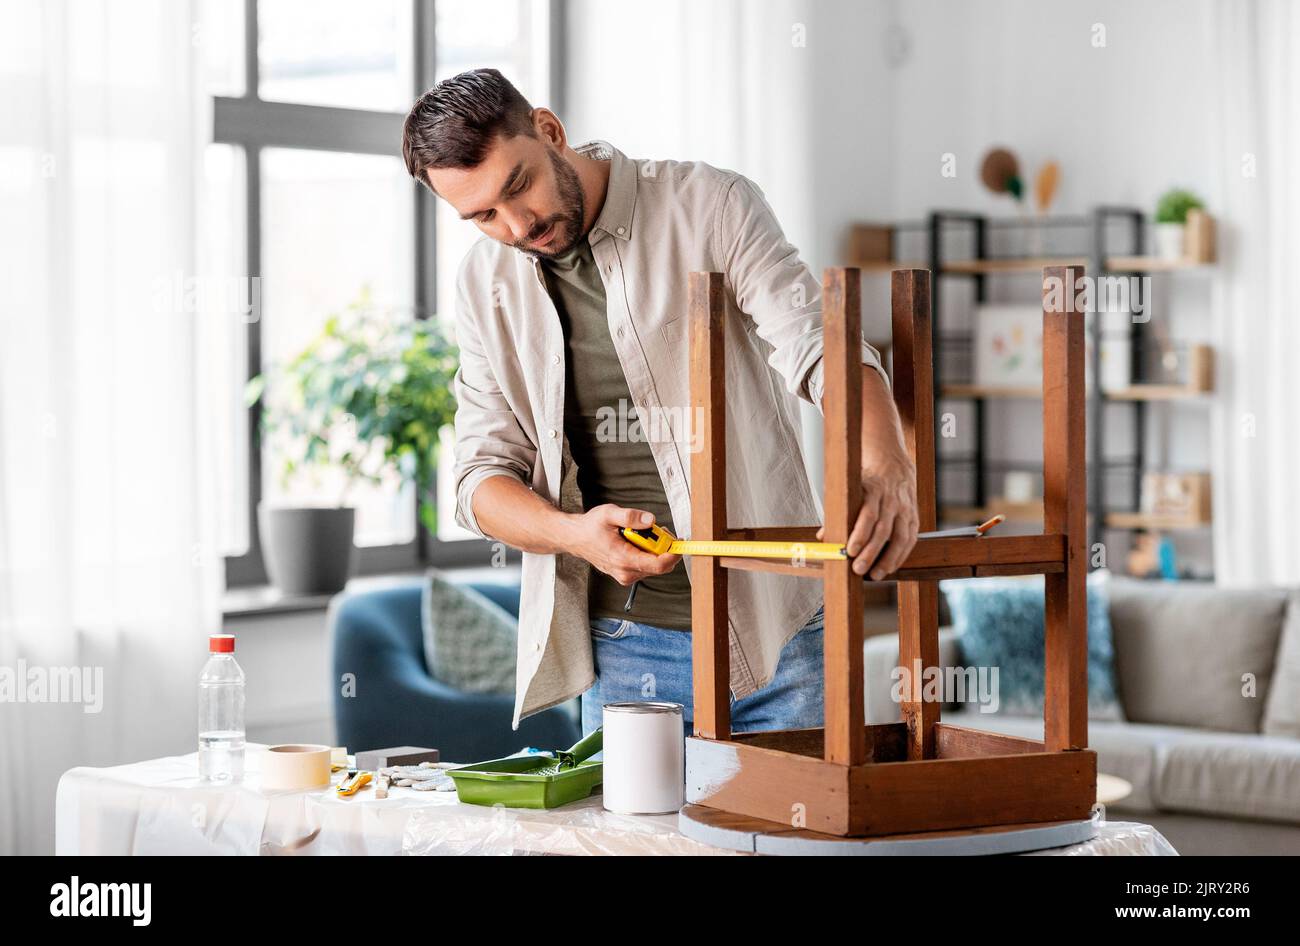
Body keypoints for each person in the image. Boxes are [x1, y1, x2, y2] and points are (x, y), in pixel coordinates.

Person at [401, 68, 919, 737]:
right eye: (483, 217)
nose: (518, 224)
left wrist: (885, 463)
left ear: (550, 131)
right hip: (623, 645)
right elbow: (479, 478)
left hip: (779, 632)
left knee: (800, 810)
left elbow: (820, 345)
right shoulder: (483, 284)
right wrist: (575, 536)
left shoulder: (710, 205)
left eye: (519, 185)